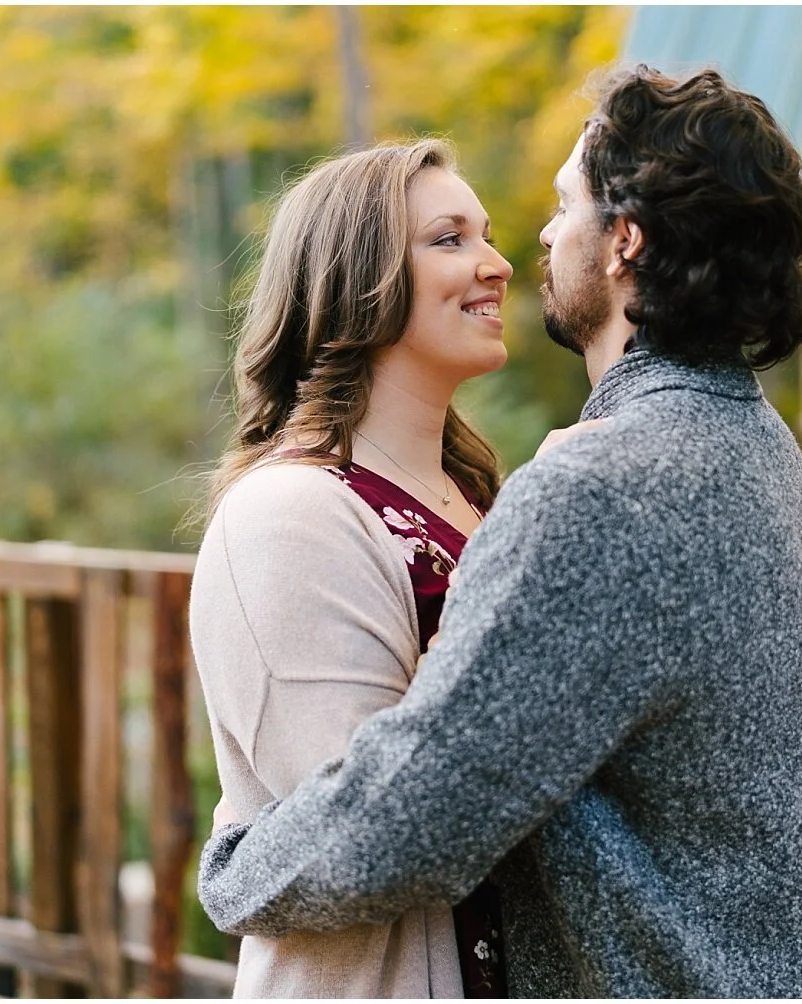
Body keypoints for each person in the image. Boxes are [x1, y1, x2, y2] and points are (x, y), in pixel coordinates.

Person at [199, 65, 802, 998]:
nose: (538, 240)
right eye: (452, 237)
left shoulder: (604, 488)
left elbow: (415, 820)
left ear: (624, 241)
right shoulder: (750, 439)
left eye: (565, 206)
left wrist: (235, 867)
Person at [189, 137, 516, 997]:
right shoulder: (290, 515)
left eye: (486, 236)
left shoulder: (476, 496)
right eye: (450, 239)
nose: (497, 264)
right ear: (357, 277)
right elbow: (370, 831)